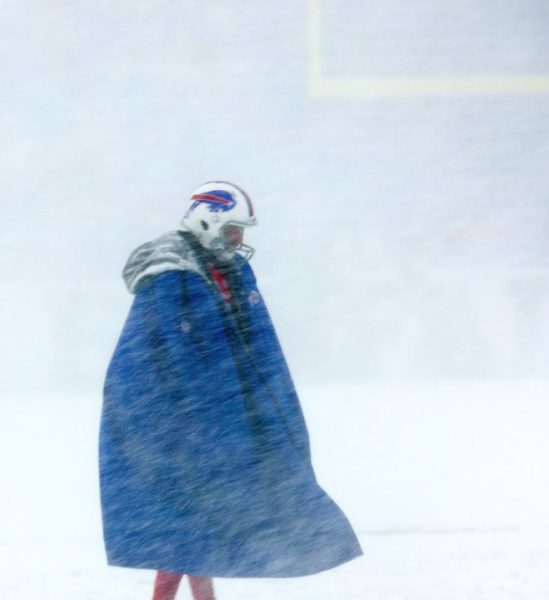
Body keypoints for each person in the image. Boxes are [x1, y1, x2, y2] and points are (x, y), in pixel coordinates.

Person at [99, 181, 362, 599]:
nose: (239, 239)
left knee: (195, 521)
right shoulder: (171, 276)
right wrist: (203, 420)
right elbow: (173, 357)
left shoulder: (229, 269)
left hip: (218, 414)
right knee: (185, 519)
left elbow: (247, 343)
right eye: (234, 229)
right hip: (175, 422)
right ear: (209, 220)